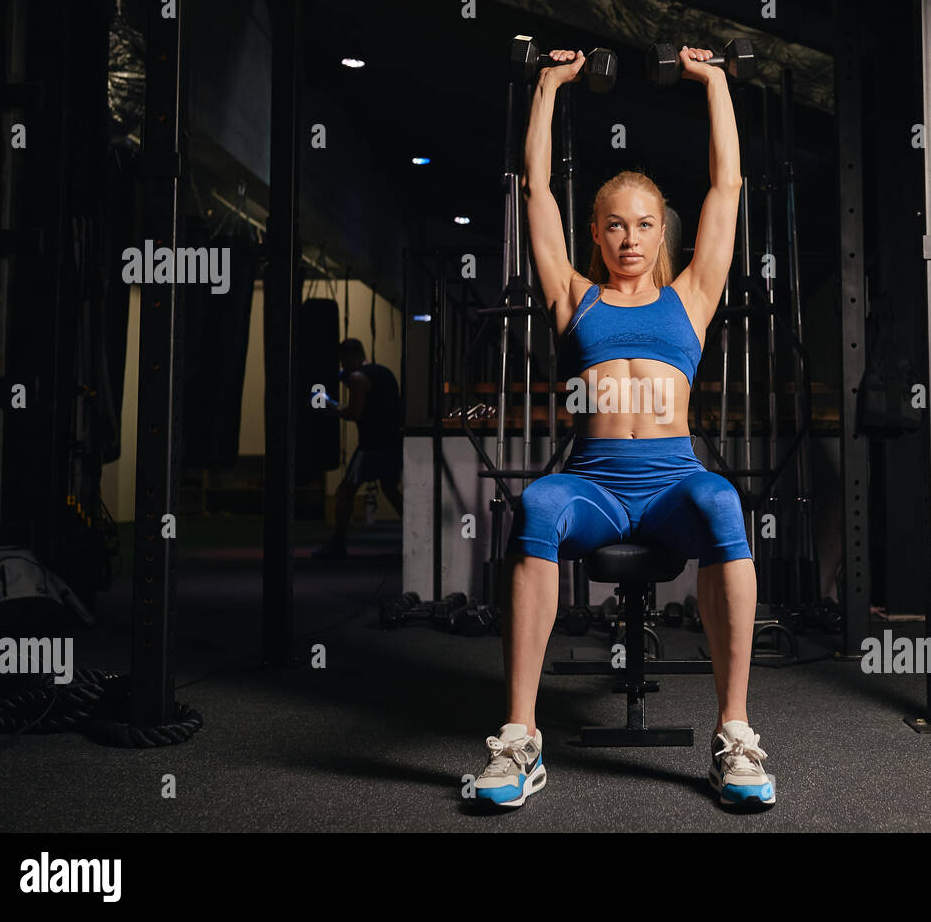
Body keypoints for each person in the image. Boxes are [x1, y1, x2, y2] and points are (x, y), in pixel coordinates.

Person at [471, 47, 774, 810]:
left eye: (643, 224)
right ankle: (520, 738)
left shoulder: (693, 296)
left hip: (673, 480)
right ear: (597, 236)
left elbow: (727, 184)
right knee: (538, 505)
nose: (631, 237)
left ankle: (734, 733)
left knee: (722, 504)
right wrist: (547, 86)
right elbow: (535, 188)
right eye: (614, 226)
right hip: (595, 482)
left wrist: (716, 84)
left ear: (658, 231)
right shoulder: (574, 297)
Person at [312, 338, 404, 559]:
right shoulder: (382, 372)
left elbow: (355, 413)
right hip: (394, 442)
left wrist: (331, 408)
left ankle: (337, 544)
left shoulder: (357, 377)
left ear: (351, 357)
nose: (342, 365)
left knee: (345, 491)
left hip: (372, 445)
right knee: (391, 490)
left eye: (343, 360)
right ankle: (420, 535)